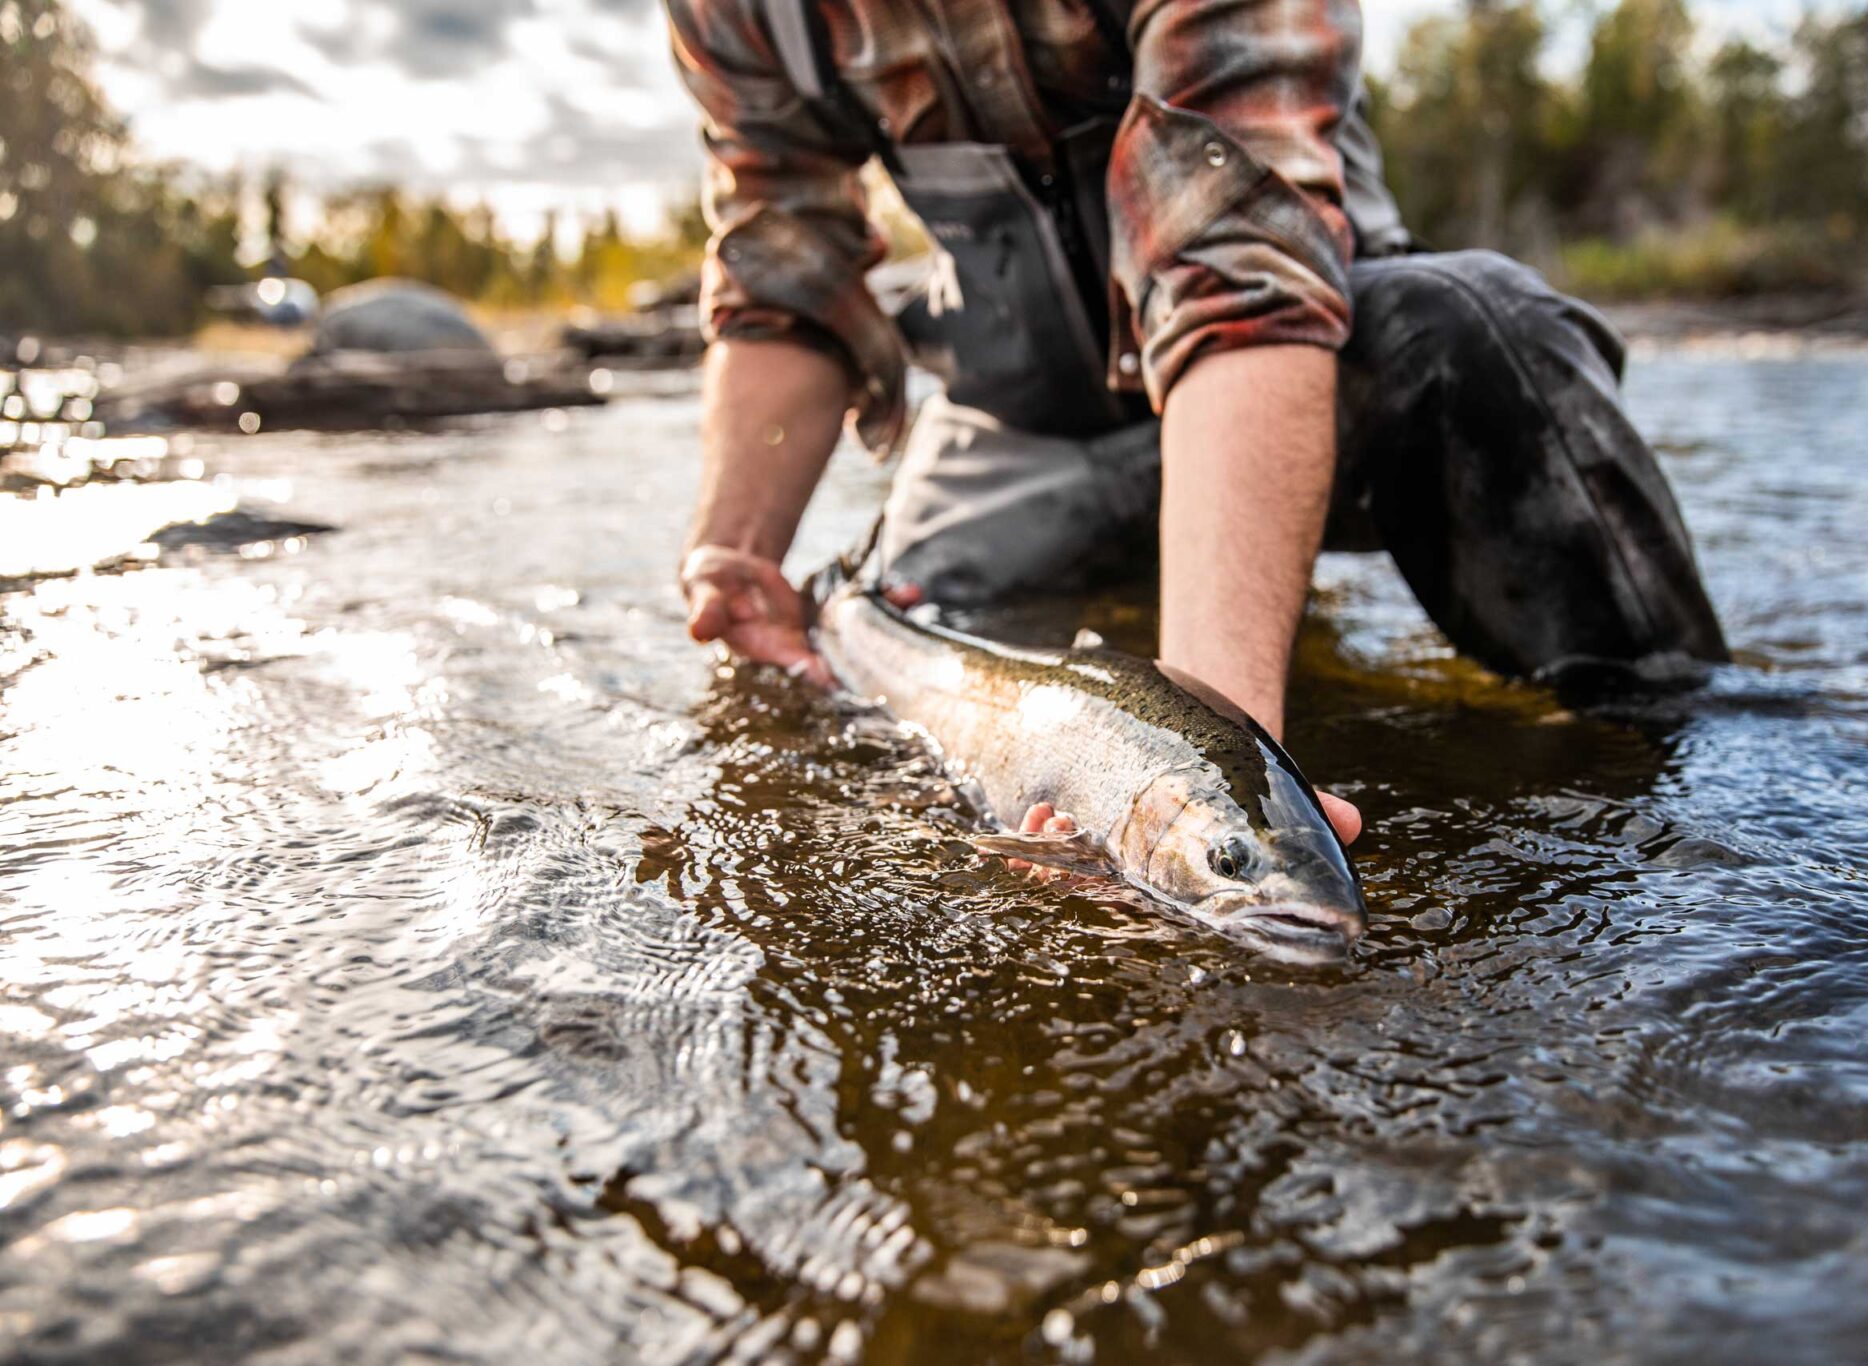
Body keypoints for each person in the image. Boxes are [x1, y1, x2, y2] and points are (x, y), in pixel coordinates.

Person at [667, 0, 1729, 847]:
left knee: (1485, 334)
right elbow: (781, 267)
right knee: (884, 642)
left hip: (1306, 358)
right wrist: (734, 550)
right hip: (1022, 421)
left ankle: (1674, 762)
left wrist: (1199, 771)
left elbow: (1236, 283)